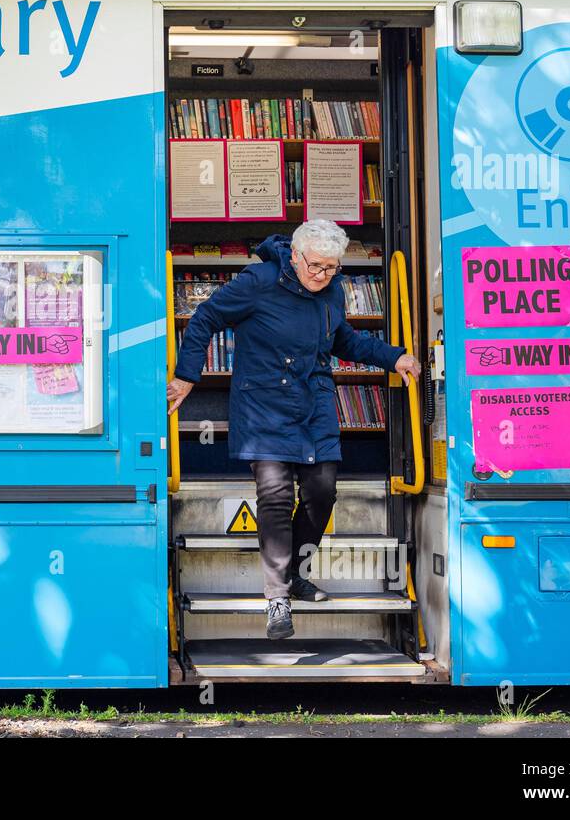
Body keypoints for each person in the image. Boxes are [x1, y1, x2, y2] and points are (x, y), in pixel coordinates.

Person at [168, 220, 421, 640]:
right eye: (317, 266)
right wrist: (186, 377)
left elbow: (344, 340)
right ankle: (278, 596)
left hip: (314, 406)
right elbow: (205, 318)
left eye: (332, 268)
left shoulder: (332, 291)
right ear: (296, 256)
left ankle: (297, 573)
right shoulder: (260, 280)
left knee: (323, 491)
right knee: (275, 495)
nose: (324, 275)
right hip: (263, 406)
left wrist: (394, 357)